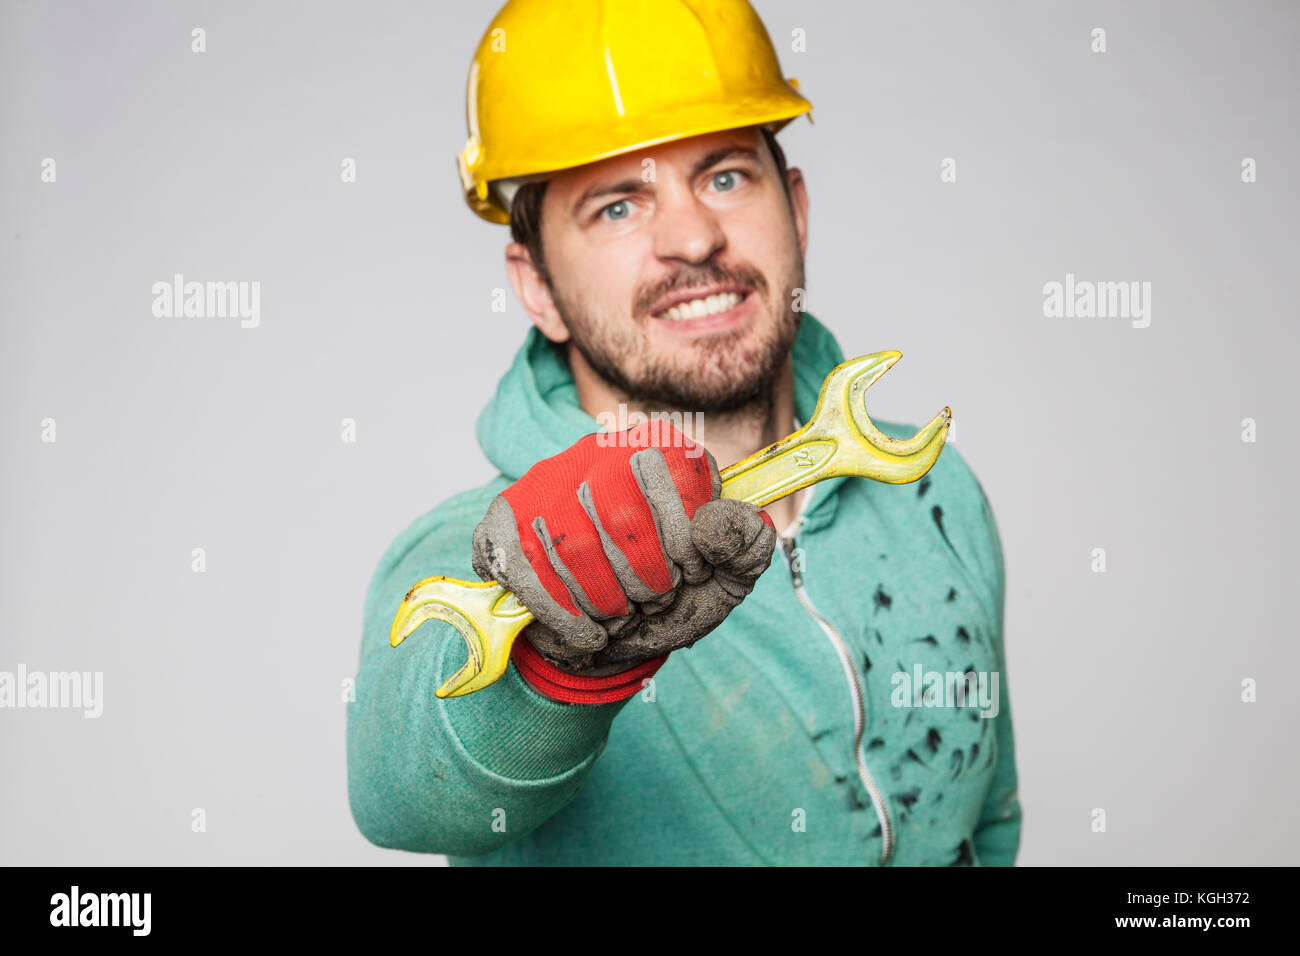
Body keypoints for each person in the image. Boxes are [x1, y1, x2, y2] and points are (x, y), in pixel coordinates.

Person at [346, 0, 1021, 866]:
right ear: (537, 284)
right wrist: (559, 666)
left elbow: (988, 819)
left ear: (798, 209)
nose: (694, 236)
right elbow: (403, 793)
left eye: (726, 176)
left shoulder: (935, 491)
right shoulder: (482, 553)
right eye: (617, 207)